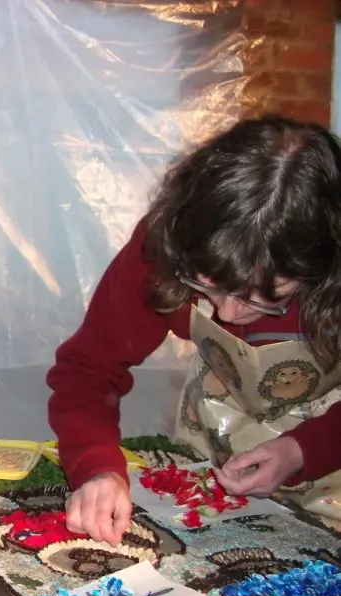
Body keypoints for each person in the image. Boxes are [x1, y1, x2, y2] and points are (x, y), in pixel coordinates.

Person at [47, 115, 341, 545]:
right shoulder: (167, 244)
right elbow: (88, 370)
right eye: (207, 286)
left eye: (265, 301)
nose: (228, 313)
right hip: (216, 446)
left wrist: (304, 449)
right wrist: (97, 465)